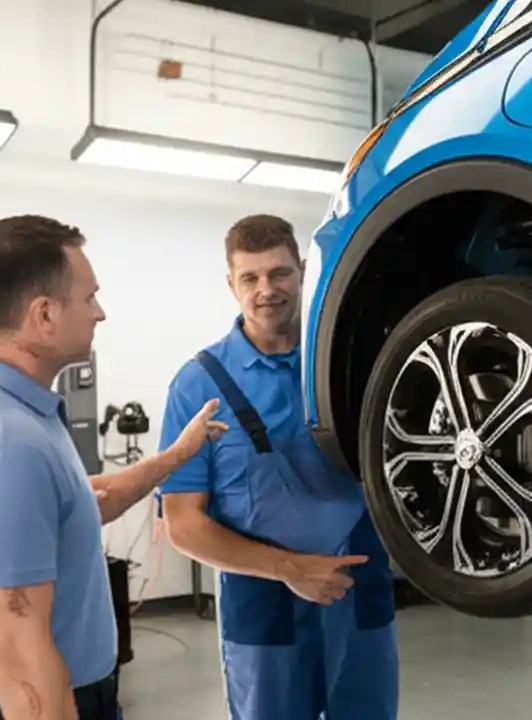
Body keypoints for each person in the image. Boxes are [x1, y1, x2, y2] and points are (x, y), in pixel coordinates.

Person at [0, 215, 228, 720]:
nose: (100, 313)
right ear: (44, 315)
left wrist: (177, 455)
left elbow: (83, 505)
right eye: (88, 298)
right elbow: (20, 655)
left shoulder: (4, 410)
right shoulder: (6, 443)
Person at [157, 214, 398, 720]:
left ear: (304, 272)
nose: (266, 289)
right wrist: (290, 569)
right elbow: (182, 524)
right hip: (261, 599)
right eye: (250, 278)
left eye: (279, 273)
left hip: (355, 582)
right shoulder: (198, 386)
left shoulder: (348, 361)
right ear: (231, 285)